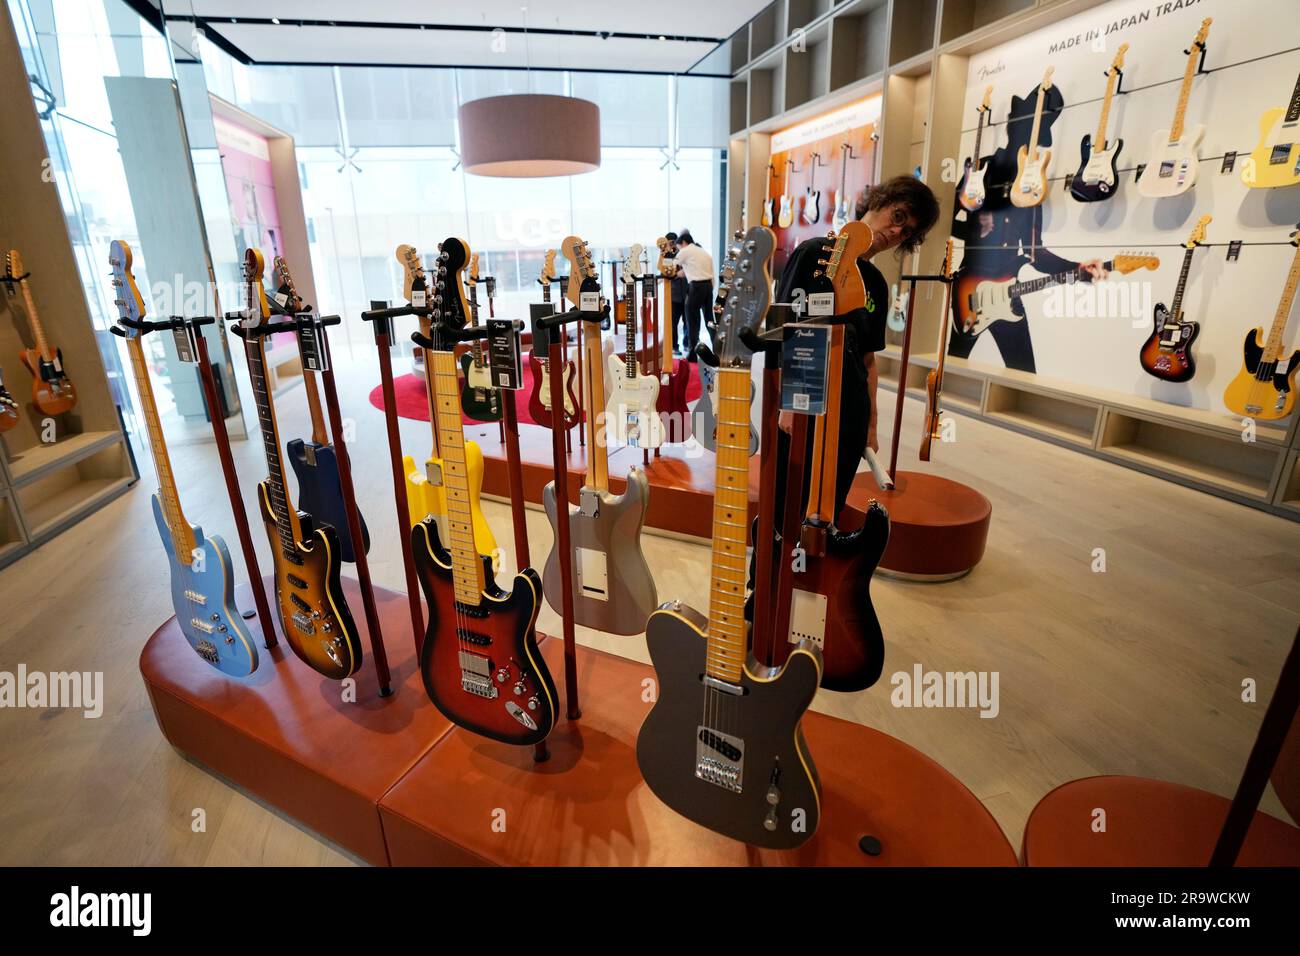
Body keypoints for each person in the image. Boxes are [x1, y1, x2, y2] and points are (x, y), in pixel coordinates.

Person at [773, 175, 940, 521]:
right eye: (897, 217)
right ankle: (772, 573)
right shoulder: (812, 253)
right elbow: (782, 332)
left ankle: (813, 573)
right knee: (787, 506)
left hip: (850, 411)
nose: (896, 232)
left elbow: (869, 361)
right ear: (878, 202)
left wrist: (871, 426)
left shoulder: (877, 285)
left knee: (828, 509)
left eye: (906, 231)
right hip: (805, 404)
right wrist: (786, 404)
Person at [674, 230, 714, 361]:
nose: (679, 250)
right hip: (708, 286)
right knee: (709, 320)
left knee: (692, 320)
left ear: (684, 243)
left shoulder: (686, 251)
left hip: (696, 288)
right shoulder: (702, 251)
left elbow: (671, 265)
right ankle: (718, 348)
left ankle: (692, 353)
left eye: (678, 247)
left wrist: (671, 272)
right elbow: (691, 270)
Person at [664, 231, 688, 354]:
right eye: (670, 242)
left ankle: (687, 344)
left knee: (687, 321)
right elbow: (667, 274)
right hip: (673, 295)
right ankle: (674, 346)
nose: (673, 245)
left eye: (674, 241)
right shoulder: (666, 256)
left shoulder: (683, 253)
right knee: (673, 323)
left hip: (686, 292)